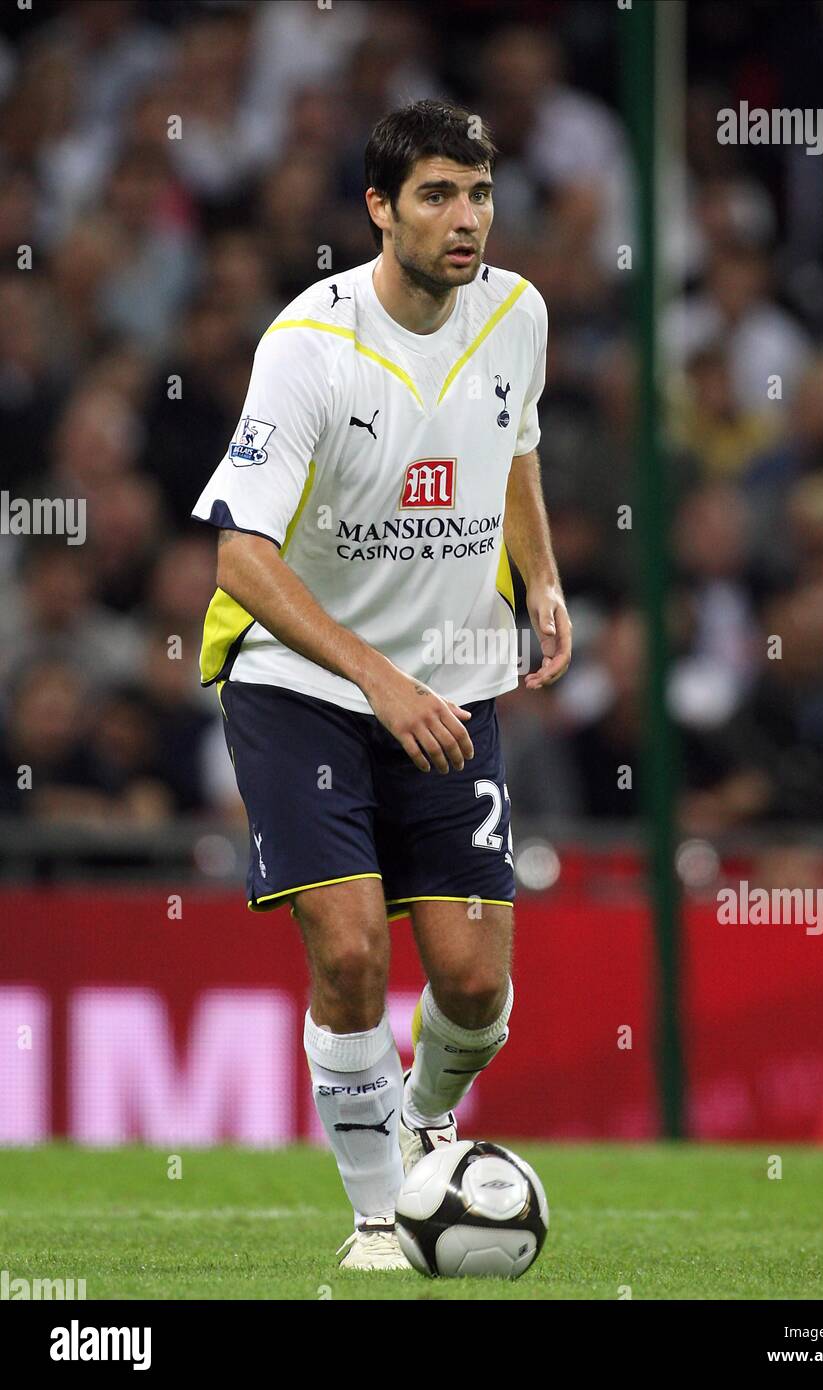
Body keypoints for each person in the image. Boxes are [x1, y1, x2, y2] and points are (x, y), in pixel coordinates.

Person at [191, 99, 571, 1269]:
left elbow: (514, 443)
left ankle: (418, 1120)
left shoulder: (516, 312)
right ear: (379, 209)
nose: (466, 221)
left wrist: (542, 575)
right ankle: (374, 1215)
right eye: (437, 196)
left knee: (473, 990)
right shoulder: (308, 345)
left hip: (452, 680)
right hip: (301, 680)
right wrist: (380, 682)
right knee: (351, 954)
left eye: (480, 195)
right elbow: (240, 555)